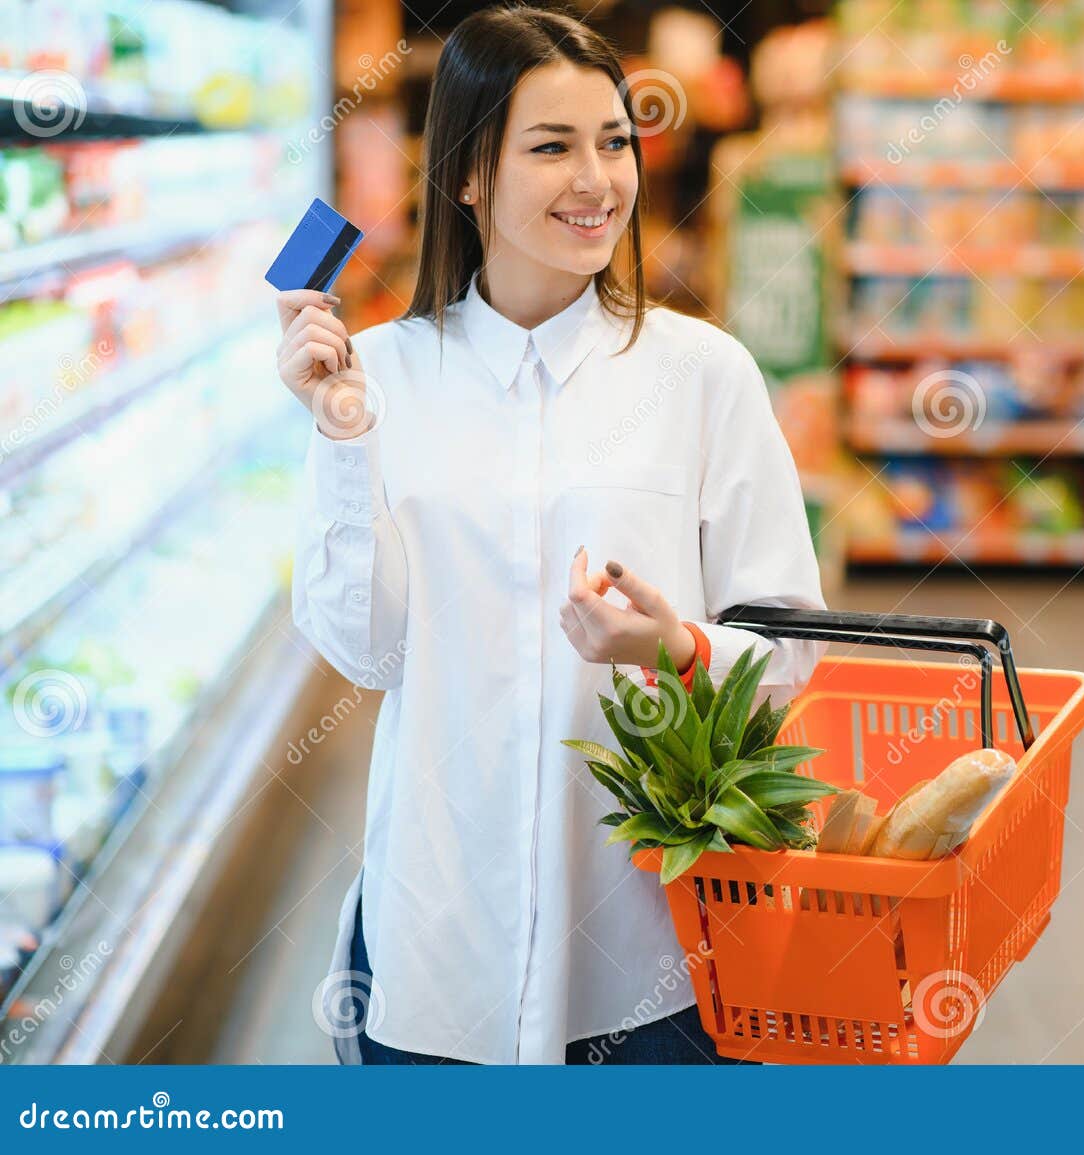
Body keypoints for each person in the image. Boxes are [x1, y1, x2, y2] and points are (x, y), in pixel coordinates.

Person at [273, 3, 823, 1065]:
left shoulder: (701, 377)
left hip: (654, 951)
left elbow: (793, 651)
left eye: (615, 142)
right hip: (438, 948)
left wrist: (675, 647)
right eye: (553, 147)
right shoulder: (383, 374)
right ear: (468, 176)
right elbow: (369, 650)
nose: (598, 180)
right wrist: (342, 437)